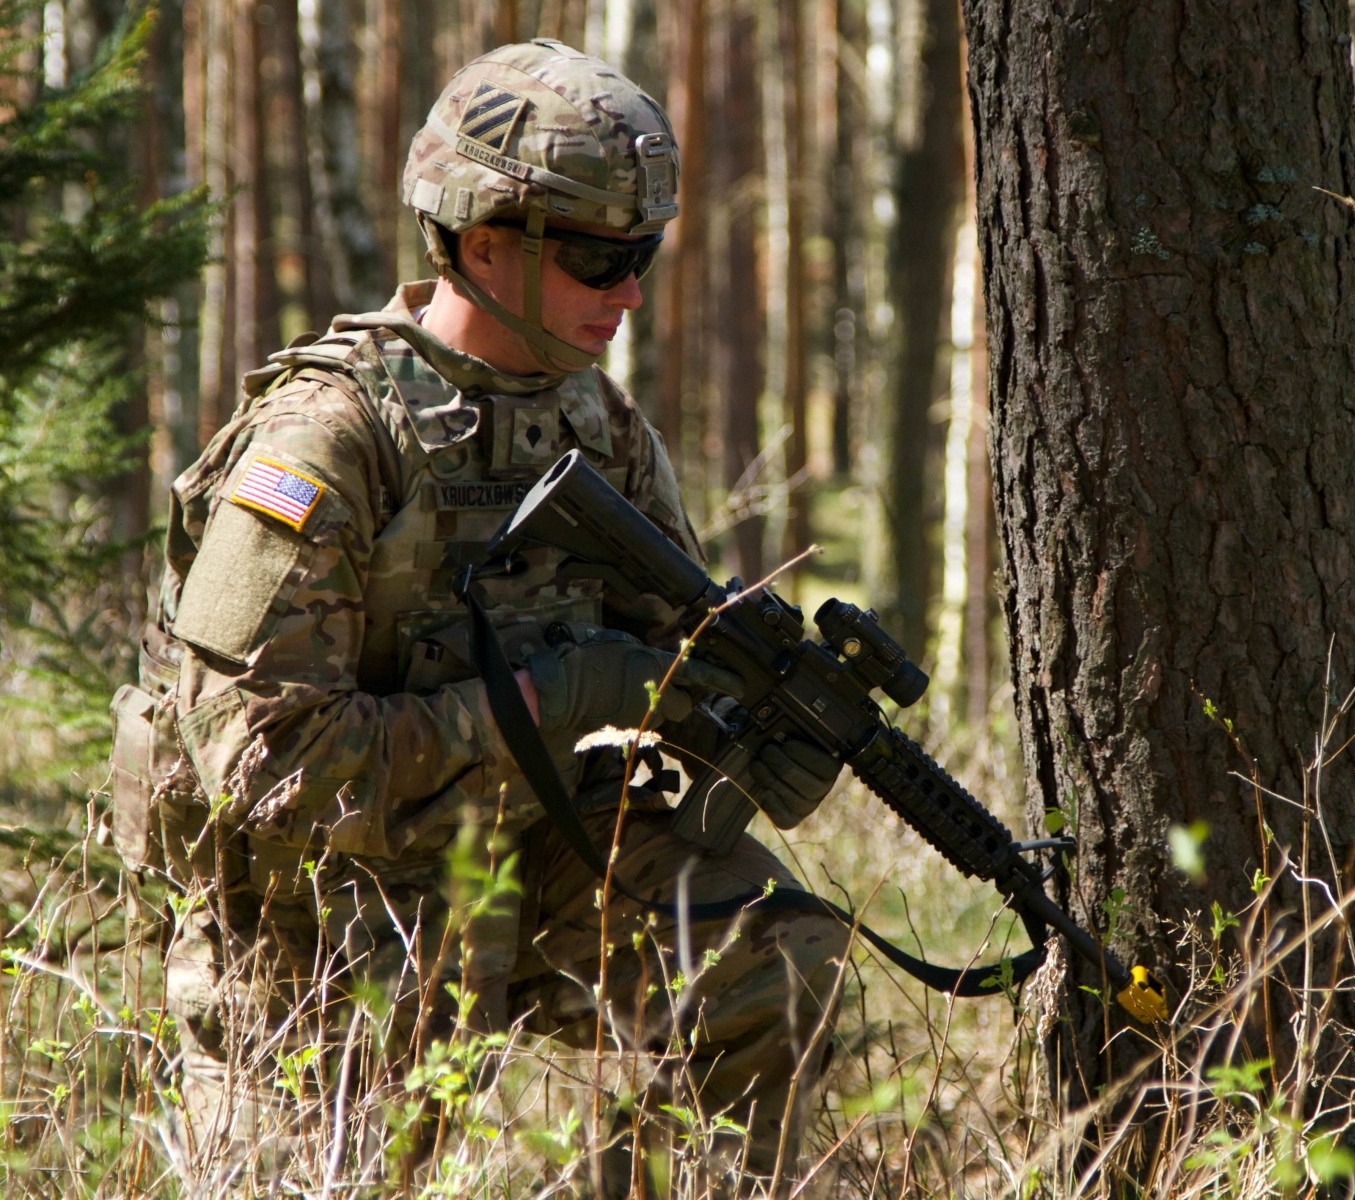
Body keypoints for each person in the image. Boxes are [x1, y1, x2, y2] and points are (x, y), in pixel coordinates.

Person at [106, 38, 848, 1195]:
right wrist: (567, 696)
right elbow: (267, 763)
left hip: (526, 868)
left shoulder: (598, 428)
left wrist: (745, 725)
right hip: (319, 929)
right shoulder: (326, 440)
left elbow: (672, 652)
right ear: (483, 243)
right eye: (599, 258)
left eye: (644, 254)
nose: (630, 292)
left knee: (779, 959)